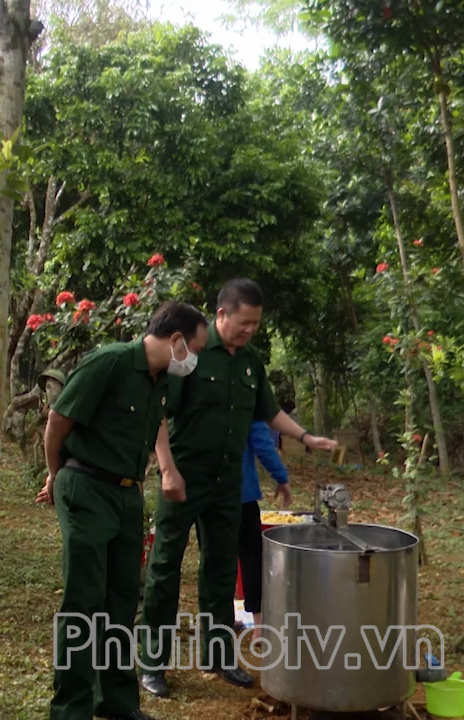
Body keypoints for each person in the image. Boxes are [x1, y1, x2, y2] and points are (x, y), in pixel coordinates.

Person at [139, 279, 337, 698]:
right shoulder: (192, 351)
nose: (249, 330)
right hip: (183, 480)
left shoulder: (251, 361)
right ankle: (153, 662)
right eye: (243, 322)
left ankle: (218, 655)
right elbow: (159, 411)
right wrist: (167, 469)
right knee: (165, 566)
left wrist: (306, 437)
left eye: (256, 324)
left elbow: (268, 411)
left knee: (222, 568)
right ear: (222, 314)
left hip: (228, 484)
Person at [36, 301, 209, 720]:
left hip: (128, 493)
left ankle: (115, 701)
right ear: (176, 340)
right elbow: (58, 420)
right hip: (86, 486)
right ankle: (71, 709)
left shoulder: (158, 380)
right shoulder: (110, 362)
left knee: (121, 599)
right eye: (196, 349)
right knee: (84, 600)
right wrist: (55, 475)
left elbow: (156, 425)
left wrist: (166, 470)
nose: (195, 360)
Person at [239, 419, 291, 641]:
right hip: (242, 494)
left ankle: (216, 623)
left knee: (215, 558)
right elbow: (262, 443)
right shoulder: (247, 403)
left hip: (208, 495)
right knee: (252, 557)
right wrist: (281, 477)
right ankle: (259, 626)